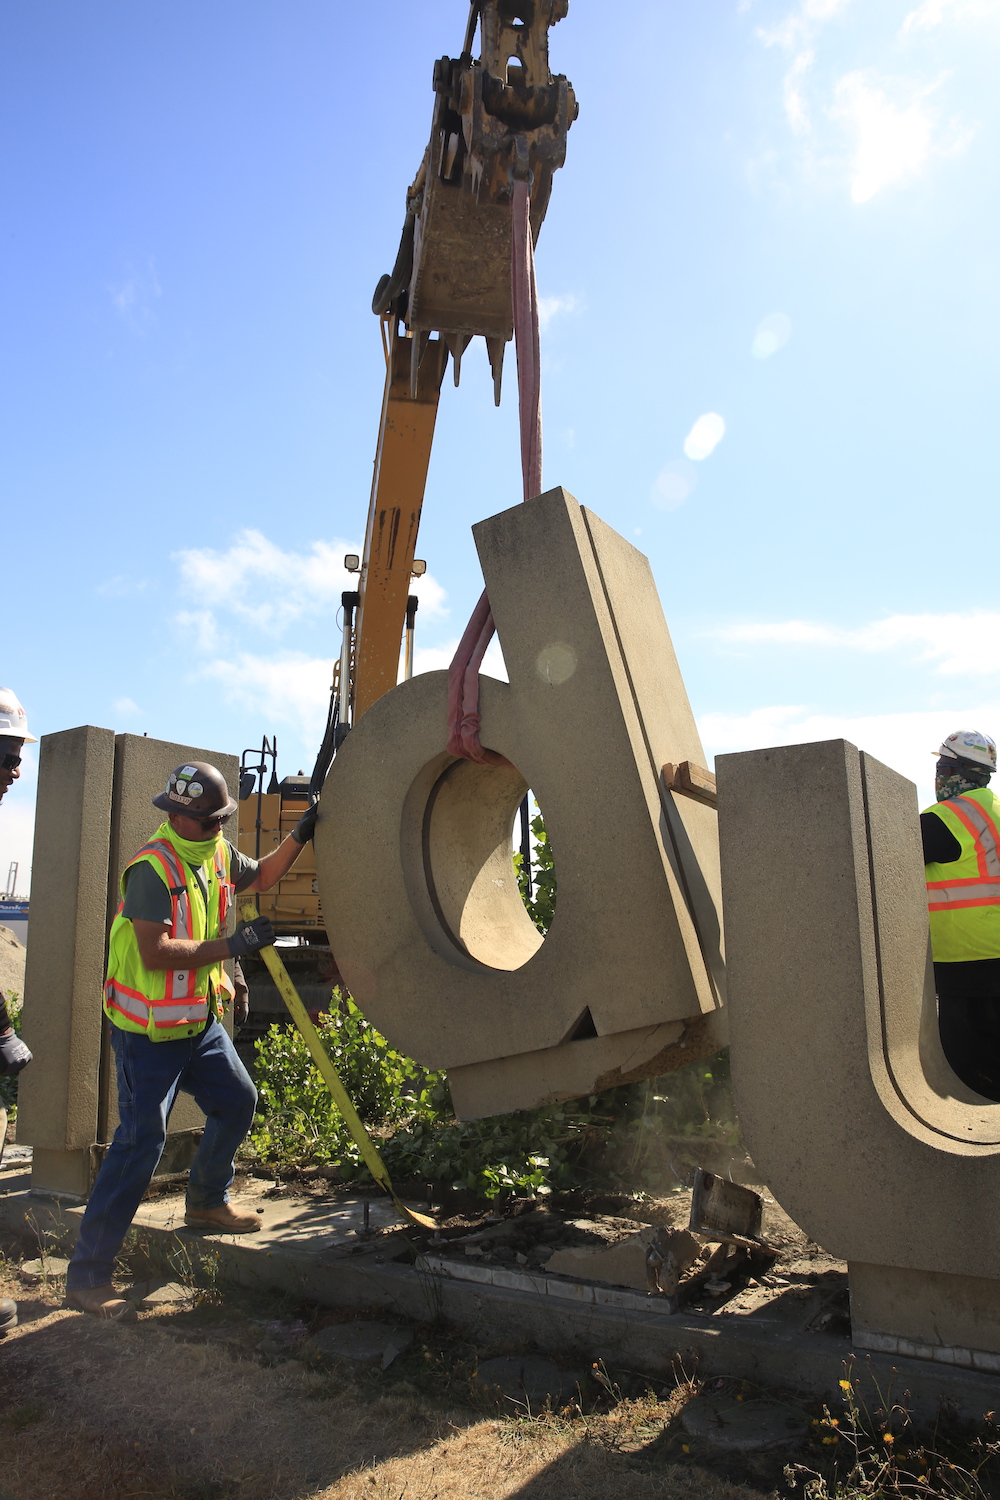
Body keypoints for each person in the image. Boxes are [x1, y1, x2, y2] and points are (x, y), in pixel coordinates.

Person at [65, 760, 318, 1319]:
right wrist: (235, 947)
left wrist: (302, 831)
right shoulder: (151, 870)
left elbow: (267, 875)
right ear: (182, 817)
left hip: (197, 1023)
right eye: (215, 820)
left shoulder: (217, 853)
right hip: (147, 1033)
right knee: (140, 1143)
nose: (222, 828)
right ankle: (86, 1277)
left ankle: (205, 1203)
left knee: (237, 1102)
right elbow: (155, 953)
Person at [921, 729, 1000, 1100]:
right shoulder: (994, 811)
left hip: (969, 962)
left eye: (942, 767)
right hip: (986, 957)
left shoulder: (951, 817)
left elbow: (876, 847)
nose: (938, 776)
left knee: (971, 1067)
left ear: (956, 772)